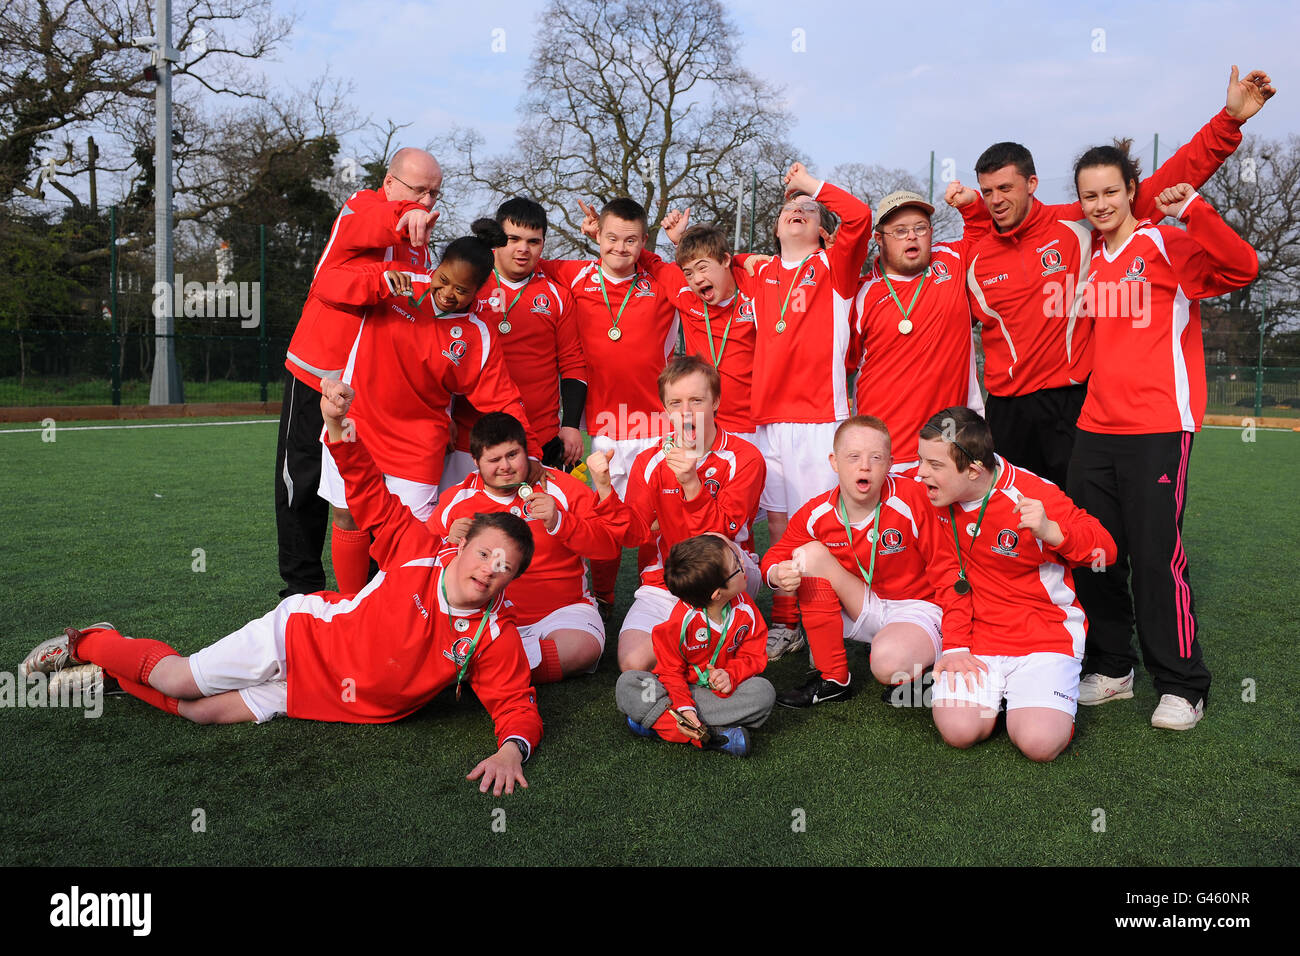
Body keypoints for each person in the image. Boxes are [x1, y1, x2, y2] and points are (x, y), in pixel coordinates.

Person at [23, 380, 542, 795]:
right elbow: (367, 489)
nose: (488, 570)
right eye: (484, 553)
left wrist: (509, 751)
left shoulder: (494, 632)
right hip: (299, 636)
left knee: (200, 712)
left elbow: (516, 704)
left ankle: (112, 677)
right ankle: (86, 640)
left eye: (504, 567)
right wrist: (335, 423)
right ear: (465, 542)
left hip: (323, 694)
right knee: (181, 680)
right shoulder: (419, 550)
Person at [953, 66, 1275, 487]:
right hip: (1007, 409)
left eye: (1006, 188)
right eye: (988, 191)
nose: (997, 200)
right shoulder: (973, 256)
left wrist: (1228, 122)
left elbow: (1172, 179)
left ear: (1031, 184)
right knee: (1017, 517)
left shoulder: (1079, 222)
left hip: (1072, 401)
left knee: (1083, 515)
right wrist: (969, 212)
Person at [1066, 144, 1258, 730]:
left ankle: (1182, 684)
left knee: (1155, 556)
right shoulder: (1094, 259)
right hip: (1094, 428)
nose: (1099, 204)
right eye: (1089, 194)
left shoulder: (1162, 243)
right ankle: (1115, 668)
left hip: (1157, 427)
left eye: (1110, 192)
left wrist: (1195, 209)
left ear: (1131, 191)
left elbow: (1242, 267)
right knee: (1093, 552)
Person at [317, 219, 540, 595]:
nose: (448, 294)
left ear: (479, 291)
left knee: (411, 534)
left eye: (462, 290)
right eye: (444, 280)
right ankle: (348, 604)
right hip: (357, 422)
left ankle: (404, 607)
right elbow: (326, 285)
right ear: (436, 267)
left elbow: (502, 398)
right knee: (347, 515)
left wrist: (528, 450)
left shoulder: (477, 334)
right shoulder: (397, 283)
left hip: (417, 442)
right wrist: (376, 282)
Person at [275, 147, 442, 598]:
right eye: (417, 190)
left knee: (360, 490)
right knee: (303, 482)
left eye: (434, 193)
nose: (426, 201)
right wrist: (404, 218)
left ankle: (368, 594)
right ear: (389, 183)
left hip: (372, 391)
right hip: (319, 375)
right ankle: (300, 592)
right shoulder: (361, 207)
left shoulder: (421, 248)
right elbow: (342, 269)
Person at [915, 407, 1117, 762]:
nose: (921, 473)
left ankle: (1032, 704)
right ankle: (1008, 701)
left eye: (934, 466)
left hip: (1043, 636)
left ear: (974, 470)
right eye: (921, 461)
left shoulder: (1032, 494)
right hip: (979, 638)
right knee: (958, 732)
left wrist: (1054, 532)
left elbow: (1106, 549)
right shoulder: (933, 496)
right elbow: (952, 579)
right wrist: (956, 645)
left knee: (1039, 744)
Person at [741, 162, 873, 661]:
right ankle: (786, 622)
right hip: (768, 421)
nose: (797, 210)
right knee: (779, 526)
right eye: (788, 208)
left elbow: (858, 216)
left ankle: (834, 619)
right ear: (775, 227)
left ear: (822, 229)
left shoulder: (835, 268)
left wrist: (809, 184)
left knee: (825, 524)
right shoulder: (757, 274)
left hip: (822, 419)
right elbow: (702, 263)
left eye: (808, 210)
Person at [537, 197, 681, 622]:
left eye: (632, 241)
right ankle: (602, 601)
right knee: (602, 517)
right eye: (611, 238)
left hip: (655, 426)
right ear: (596, 235)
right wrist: (601, 235)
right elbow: (526, 263)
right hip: (600, 428)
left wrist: (648, 252)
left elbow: (690, 273)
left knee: (659, 521)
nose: (620, 248)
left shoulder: (660, 281)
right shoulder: (574, 276)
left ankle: (660, 599)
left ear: (644, 242)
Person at [761, 416, 957, 706]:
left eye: (875, 458)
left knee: (887, 663)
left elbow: (948, 568)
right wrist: (777, 573)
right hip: (863, 600)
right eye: (853, 457)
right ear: (834, 462)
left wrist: (958, 640)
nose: (864, 466)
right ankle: (833, 680)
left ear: (890, 463)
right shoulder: (817, 512)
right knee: (808, 554)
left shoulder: (914, 499)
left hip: (917, 606)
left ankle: (926, 668)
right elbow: (776, 555)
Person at [428, 412, 633, 683]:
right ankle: (501, 664)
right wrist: (446, 542)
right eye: (494, 459)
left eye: (513, 455)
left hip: (560, 613)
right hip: (485, 617)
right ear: (476, 462)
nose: (505, 466)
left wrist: (561, 522)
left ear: (526, 452)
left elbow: (608, 547)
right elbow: (419, 558)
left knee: (585, 646)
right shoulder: (457, 499)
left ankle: (485, 669)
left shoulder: (561, 487)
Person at [615, 356, 766, 672]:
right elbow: (632, 533)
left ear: (716, 402)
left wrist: (691, 484)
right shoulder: (649, 461)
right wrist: (604, 493)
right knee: (633, 663)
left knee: (712, 542)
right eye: (676, 403)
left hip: (729, 573)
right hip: (669, 578)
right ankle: (694, 658)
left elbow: (719, 536)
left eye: (696, 400)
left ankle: (717, 640)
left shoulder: (744, 457)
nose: (686, 413)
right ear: (666, 409)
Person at [441, 197, 588, 489]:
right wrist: (442, 415)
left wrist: (570, 424)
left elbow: (573, 364)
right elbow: (441, 357)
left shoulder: (557, 295)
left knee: (536, 527)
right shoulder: (469, 286)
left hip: (538, 437)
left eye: (533, 241)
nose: (523, 249)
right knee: (463, 527)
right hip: (470, 437)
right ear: (497, 239)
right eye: (513, 239)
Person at [850, 188, 987, 470]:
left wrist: (971, 203)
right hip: (886, 448)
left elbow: (983, 235)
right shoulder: (861, 293)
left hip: (951, 439)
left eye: (920, 228)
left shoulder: (951, 261)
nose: (912, 236)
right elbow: (841, 361)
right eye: (899, 231)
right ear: (879, 239)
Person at [615, 534, 775, 758]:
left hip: (716, 696)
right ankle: (711, 737)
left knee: (763, 693)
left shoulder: (746, 608)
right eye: (736, 565)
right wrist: (685, 708)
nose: (742, 562)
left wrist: (731, 674)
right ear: (718, 594)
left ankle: (658, 723)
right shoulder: (679, 623)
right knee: (630, 683)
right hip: (676, 691)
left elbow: (754, 654)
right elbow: (670, 673)